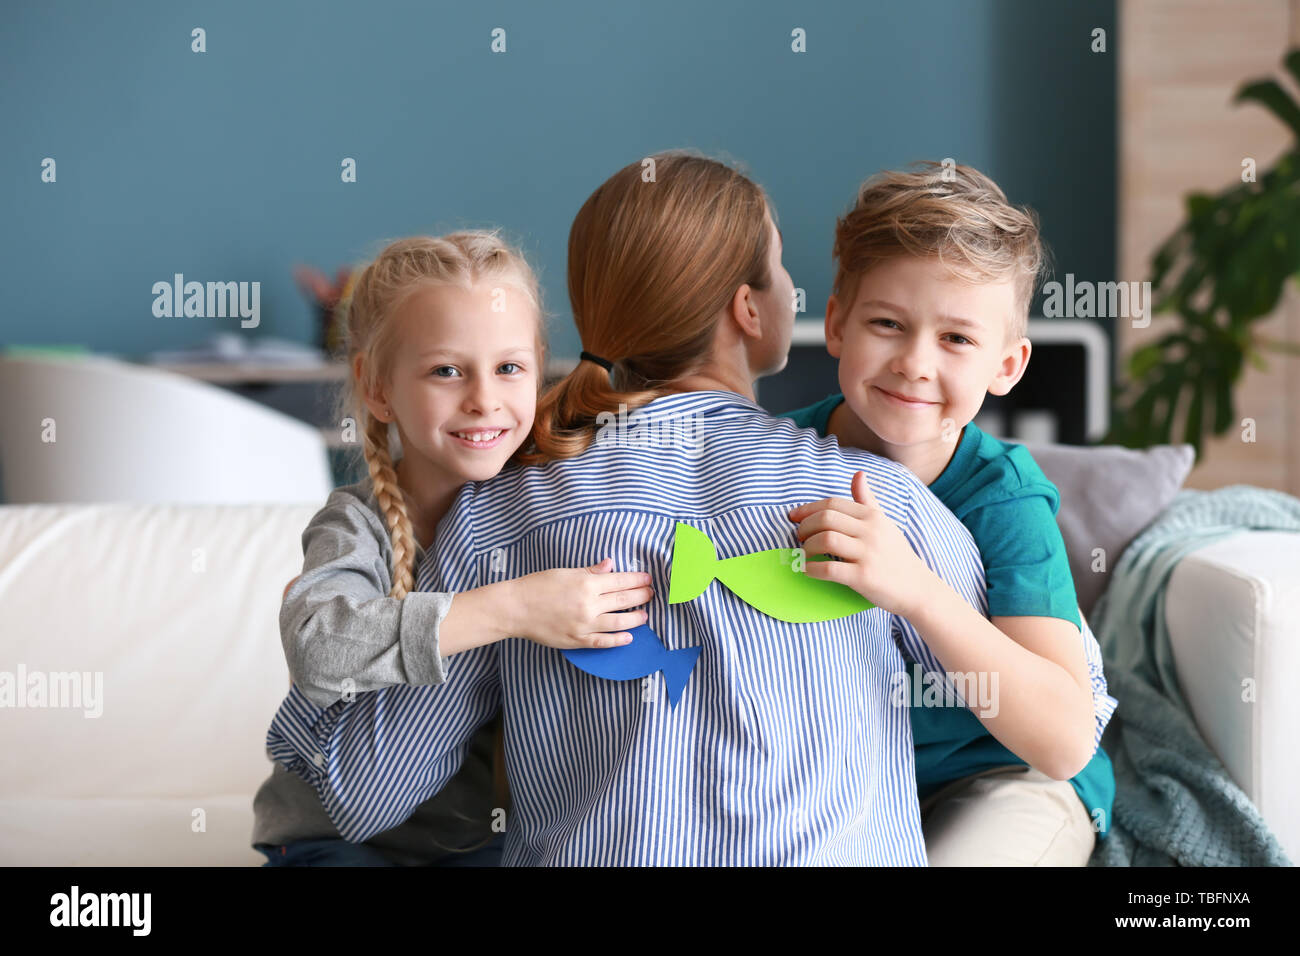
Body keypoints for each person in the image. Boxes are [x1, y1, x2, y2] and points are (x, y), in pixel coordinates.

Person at [265, 150, 991, 865]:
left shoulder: (495, 518)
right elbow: (1056, 723)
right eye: (780, 269)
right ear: (749, 309)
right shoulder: (878, 499)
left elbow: (367, 794)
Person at [252, 232, 653, 866]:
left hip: (479, 840)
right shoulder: (356, 524)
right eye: (446, 370)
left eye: (509, 368)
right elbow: (319, 645)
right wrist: (515, 608)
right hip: (334, 836)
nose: (484, 398)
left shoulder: (552, 515)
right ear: (377, 387)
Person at [779, 161, 1117, 865]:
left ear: (1007, 364)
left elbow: (1062, 738)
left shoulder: (1004, 499)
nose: (914, 363)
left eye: (956, 339)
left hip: (1002, 777)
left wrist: (916, 589)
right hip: (847, 782)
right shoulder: (778, 459)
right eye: (887, 324)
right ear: (836, 322)